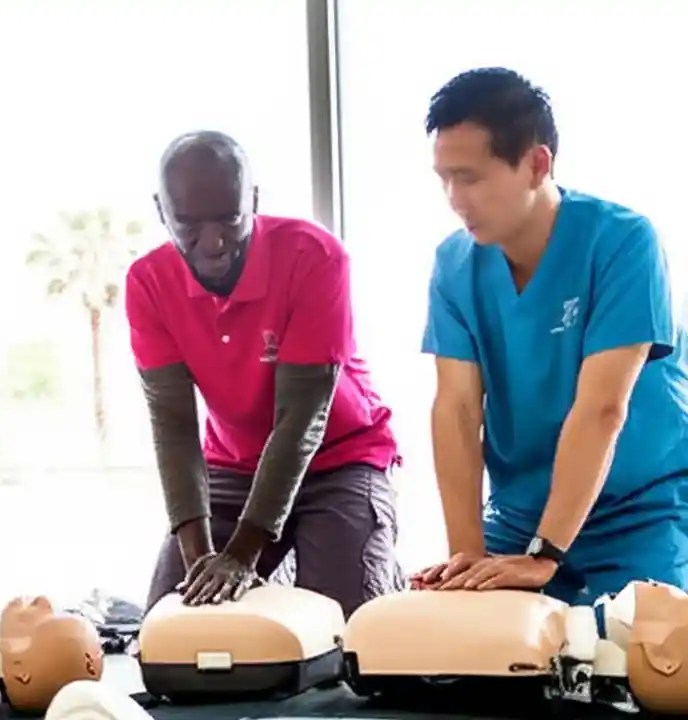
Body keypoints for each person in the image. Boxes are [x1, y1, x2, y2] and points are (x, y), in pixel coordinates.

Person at [413, 67, 688, 605]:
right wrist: (467, 557)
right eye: (444, 179)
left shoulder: (623, 242)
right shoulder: (454, 264)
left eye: (470, 178)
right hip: (521, 514)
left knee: (641, 639)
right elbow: (456, 410)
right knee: (453, 631)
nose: (454, 198)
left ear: (537, 164)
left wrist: (545, 554)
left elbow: (602, 408)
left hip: (639, 509)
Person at [126, 130, 403, 618]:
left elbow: (301, 421)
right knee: (172, 627)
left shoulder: (314, 256)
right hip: (234, 467)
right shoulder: (148, 282)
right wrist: (201, 563)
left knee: (349, 624)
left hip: (341, 459)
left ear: (252, 201)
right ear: (161, 211)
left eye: (230, 219)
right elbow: (173, 428)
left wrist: (240, 555)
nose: (213, 242)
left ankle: (372, 567)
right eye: (188, 224)